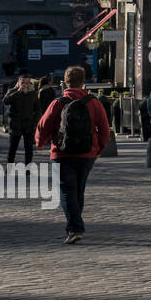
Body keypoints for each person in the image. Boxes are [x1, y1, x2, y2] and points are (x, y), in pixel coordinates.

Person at [35, 65, 111, 244]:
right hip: (87, 153)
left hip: (61, 153)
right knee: (78, 190)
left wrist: (40, 143)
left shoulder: (58, 103)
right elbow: (105, 130)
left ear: (65, 82)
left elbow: (43, 125)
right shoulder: (94, 103)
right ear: (83, 82)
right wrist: (98, 149)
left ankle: (75, 228)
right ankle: (76, 225)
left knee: (66, 191)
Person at [3, 70, 40, 163]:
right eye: (23, 82)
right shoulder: (13, 91)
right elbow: (5, 101)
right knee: (12, 148)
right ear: (19, 83)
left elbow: (38, 110)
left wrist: (34, 123)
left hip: (28, 125)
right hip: (15, 125)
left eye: (27, 83)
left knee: (29, 149)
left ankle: (27, 169)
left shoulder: (33, 94)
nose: (25, 85)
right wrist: (18, 92)